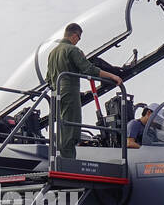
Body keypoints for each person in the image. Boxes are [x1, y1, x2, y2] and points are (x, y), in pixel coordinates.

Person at [45, 23, 122, 159]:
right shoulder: (72, 50)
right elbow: (89, 69)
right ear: (74, 35)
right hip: (70, 92)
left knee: (63, 127)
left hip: (56, 94)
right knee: (72, 129)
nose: (78, 41)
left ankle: (61, 159)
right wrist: (112, 75)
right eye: (78, 38)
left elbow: (48, 79)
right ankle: (68, 161)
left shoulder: (52, 53)